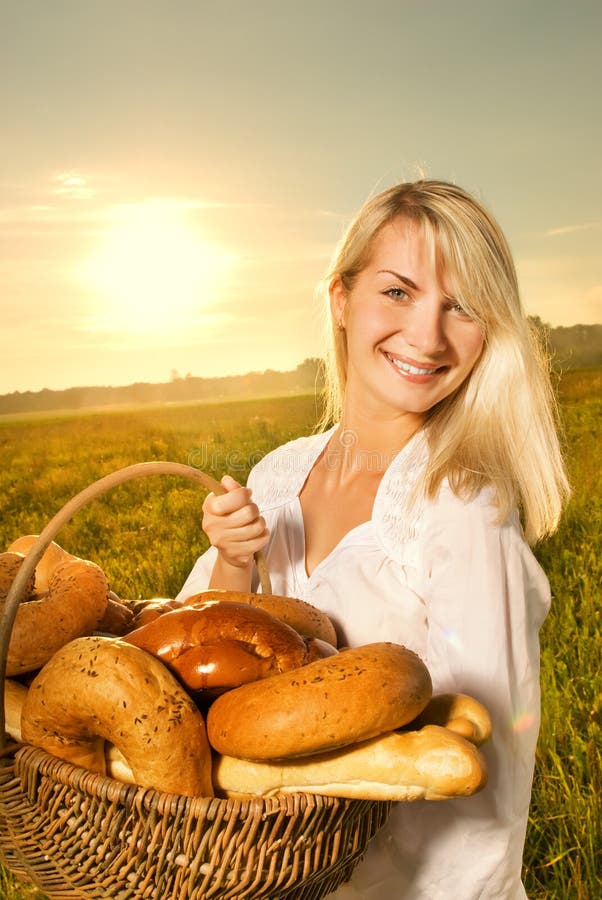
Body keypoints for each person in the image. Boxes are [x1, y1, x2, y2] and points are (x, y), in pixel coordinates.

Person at [176, 180, 570, 898]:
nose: (427, 335)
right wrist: (234, 562)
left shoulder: (462, 505)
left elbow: (490, 789)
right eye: (397, 292)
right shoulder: (279, 474)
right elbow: (193, 684)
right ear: (340, 299)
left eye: (461, 307)